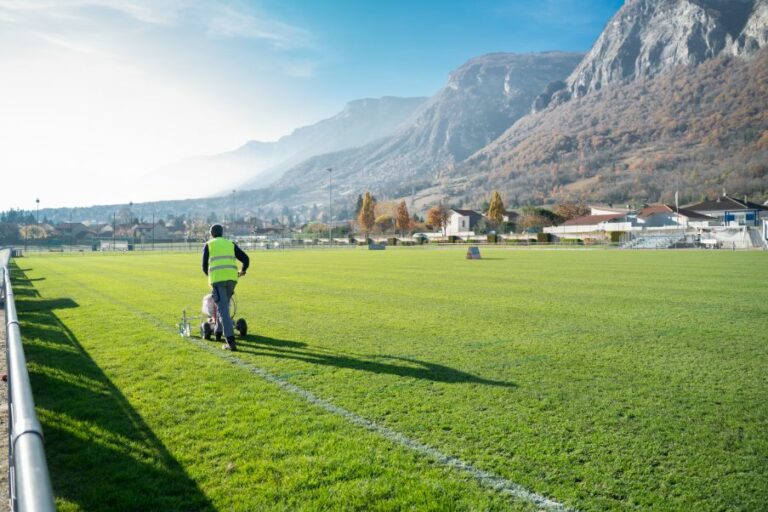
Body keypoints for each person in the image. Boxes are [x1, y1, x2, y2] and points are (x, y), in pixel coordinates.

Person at [202, 224, 249, 351]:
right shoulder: (230, 244)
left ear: (211, 234)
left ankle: (230, 342)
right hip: (232, 280)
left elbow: (204, 266)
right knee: (223, 307)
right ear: (222, 233)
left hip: (218, 280)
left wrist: (210, 276)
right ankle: (218, 332)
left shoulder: (209, 244)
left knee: (223, 310)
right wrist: (242, 271)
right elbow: (246, 259)